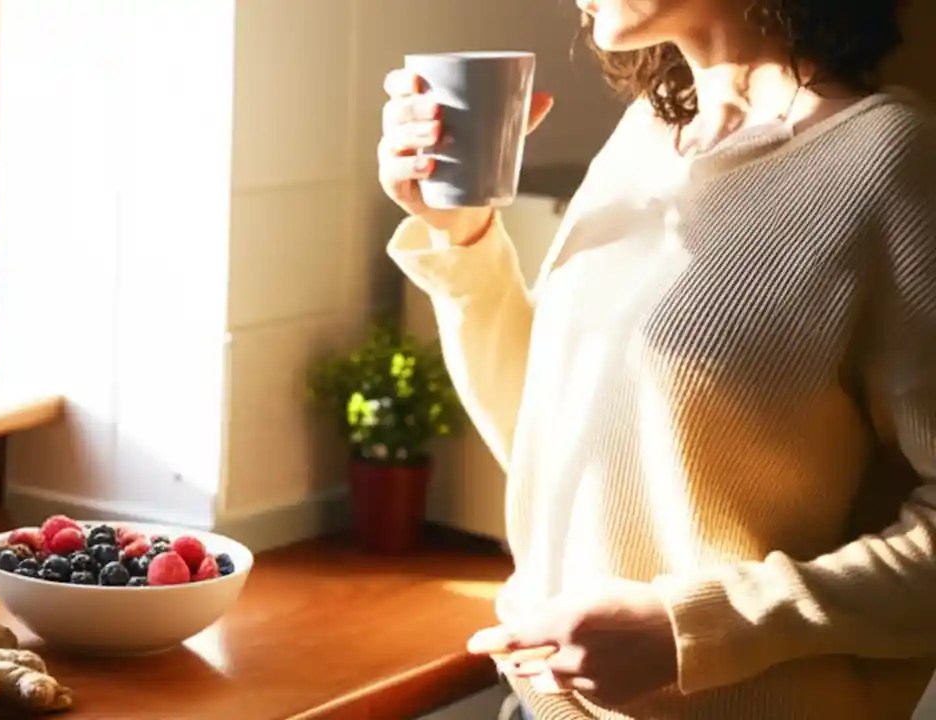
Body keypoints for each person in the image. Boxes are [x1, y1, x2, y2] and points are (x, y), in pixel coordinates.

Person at [379, 0, 935, 718]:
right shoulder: (647, 134)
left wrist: (690, 630)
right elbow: (549, 442)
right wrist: (462, 239)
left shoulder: (893, 165)